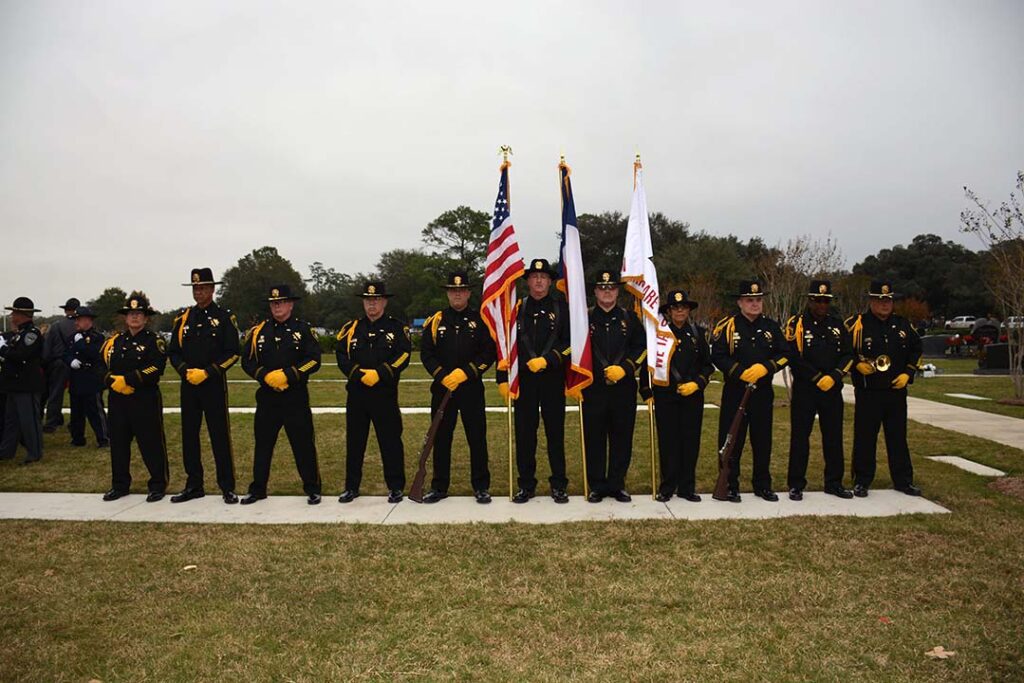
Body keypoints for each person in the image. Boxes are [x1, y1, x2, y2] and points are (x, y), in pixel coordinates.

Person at [496, 258, 571, 504]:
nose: (539, 281)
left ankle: (559, 484)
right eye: (534, 276)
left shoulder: (562, 308)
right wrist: (501, 378)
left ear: (550, 281)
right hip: (524, 381)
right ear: (527, 281)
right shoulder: (515, 309)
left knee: (555, 434)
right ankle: (526, 485)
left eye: (543, 277)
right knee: (525, 435)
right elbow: (504, 345)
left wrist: (549, 359)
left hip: (552, 379)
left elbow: (571, 343)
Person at [240, 285, 323, 505]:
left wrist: (290, 375)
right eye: (273, 303)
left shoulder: (303, 330)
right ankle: (258, 489)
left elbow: (314, 360)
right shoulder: (258, 331)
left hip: (295, 397)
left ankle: (312, 488)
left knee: (303, 444)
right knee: (263, 445)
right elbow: (246, 361)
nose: (277, 306)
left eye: (281, 302)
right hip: (268, 398)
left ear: (290, 304)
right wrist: (264, 375)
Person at [711, 279, 790, 502]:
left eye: (758, 300)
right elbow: (717, 355)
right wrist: (739, 372)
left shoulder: (772, 327)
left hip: (762, 393)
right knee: (732, 440)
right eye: (749, 300)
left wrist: (767, 367)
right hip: (736, 392)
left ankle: (762, 485)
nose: (755, 304)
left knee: (762, 440)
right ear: (740, 302)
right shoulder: (727, 326)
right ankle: (730, 484)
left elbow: (785, 354)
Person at [419, 272, 495, 504]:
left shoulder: (481, 319)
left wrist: (467, 372)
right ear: (448, 293)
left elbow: (488, 353)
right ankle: (439, 486)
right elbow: (426, 354)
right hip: (443, 390)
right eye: (453, 290)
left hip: (471, 388)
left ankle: (481, 486)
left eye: (461, 290)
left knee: (477, 438)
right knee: (441, 438)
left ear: (469, 293)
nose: (458, 294)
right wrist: (442, 375)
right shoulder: (436, 321)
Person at [167, 268, 241, 504]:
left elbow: (233, 353)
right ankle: (194, 484)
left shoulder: (224, 317)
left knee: (219, 435)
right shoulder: (183, 318)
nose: (199, 292)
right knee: (189, 435)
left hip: (213, 384)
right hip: (188, 384)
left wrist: (208, 372)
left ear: (212, 289)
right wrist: (184, 371)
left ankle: (227, 486)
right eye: (196, 289)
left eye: (203, 288)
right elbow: (174, 353)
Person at [336, 281, 411, 504]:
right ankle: (351, 487)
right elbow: (341, 356)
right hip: (357, 394)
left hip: (384, 393)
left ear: (384, 301)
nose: (372, 304)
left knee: (390, 441)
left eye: (376, 300)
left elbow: (403, 355)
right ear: (363, 302)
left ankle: (396, 486)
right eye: (368, 300)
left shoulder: (397, 328)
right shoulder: (350, 329)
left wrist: (381, 373)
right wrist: (358, 374)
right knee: (355, 442)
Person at [847, 280, 924, 497]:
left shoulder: (903, 325)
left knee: (898, 437)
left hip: (896, 391)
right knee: (865, 438)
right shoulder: (856, 324)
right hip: (868, 391)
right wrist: (856, 364)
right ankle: (862, 480)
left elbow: (916, 350)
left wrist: (907, 374)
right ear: (871, 300)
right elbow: (843, 350)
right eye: (880, 300)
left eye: (888, 300)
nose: (885, 304)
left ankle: (903, 480)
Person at [783, 280, 854, 501]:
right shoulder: (797, 324)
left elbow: (848, 354)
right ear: (809, 300)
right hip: (806, 388)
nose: (822, 304)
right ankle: (796, 484)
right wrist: (815, 377)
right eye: (817, 300)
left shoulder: (837, 324)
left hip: (832, 388)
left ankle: (834, 482)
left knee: (833, 437)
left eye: (825, 300)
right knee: (800, 437)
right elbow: (792, 355)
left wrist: (834, 376)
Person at [641, 289, 714, 502]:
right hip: (666, 396)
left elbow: (708, 366)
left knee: (690, 442)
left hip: (692, 396)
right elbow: (648, 365)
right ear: (669, 311)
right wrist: (646, 391)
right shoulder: (659, 334)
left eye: (683, 307)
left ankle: (687, 487)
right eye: (675, 307)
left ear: (689, 310)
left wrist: (698, 383)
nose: (680, 311)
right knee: (668, 442)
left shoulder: (698, 334)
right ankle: (667, 487)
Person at [581, 270, 646, 503]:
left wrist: (626, 369)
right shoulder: (584, 318)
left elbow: (641, 348)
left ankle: (617, 484)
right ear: (595, 291)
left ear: (617, 291)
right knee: (594, 438)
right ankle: (597, 485)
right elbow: (576, 350)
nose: (607, 292)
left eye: (611, 288)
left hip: (622, 388)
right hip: (594, 389)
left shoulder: (629, 318)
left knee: (622, 437)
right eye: (602, 288)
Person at [98, 292, 169, 501]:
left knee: (151, 443)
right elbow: (99, 367)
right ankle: (119, 485)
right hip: (118, 401)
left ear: (146, 318)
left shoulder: (154, 341)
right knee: (118, 444)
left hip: (144, 399)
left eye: (139, 314)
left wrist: (129, 380)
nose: (135, 317)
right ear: (125, 317)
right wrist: (112, 382)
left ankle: (157, 484)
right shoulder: (114, 342)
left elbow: (156, 367)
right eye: (131, 314)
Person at [0, 297, 45, 464]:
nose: (12, 316)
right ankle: (6, 450)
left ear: (23, 315)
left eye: (15, 313)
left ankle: (35, 452)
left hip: (27, 384)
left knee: (29, 420)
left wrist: (3, 349)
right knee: (11, 420)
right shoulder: (19, 334)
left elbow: (21, 356)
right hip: (14, 383)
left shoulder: (31, 334)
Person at [64, 306, 109, 448]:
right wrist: (70, 360)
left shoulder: (97, 337)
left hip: (91, 377)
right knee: (76, 411)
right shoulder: (72, 337)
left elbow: (94, 354)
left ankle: (104, 438)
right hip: (76, 377)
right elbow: (65, 353)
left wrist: (81, 343)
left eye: (79, 320)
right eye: (75, 320)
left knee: (95, 411)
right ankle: (77, 438)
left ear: (88, 320)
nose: (76, 323)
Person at [42, 297, 79, 432]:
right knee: (77, 395)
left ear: (66, 310)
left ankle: (52, 422)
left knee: (56, 393)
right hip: (77, 363)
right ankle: (75, 422)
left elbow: (47, 348)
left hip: (59, 363)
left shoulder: (56, 326)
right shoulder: (79, 325)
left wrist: (45, 363)